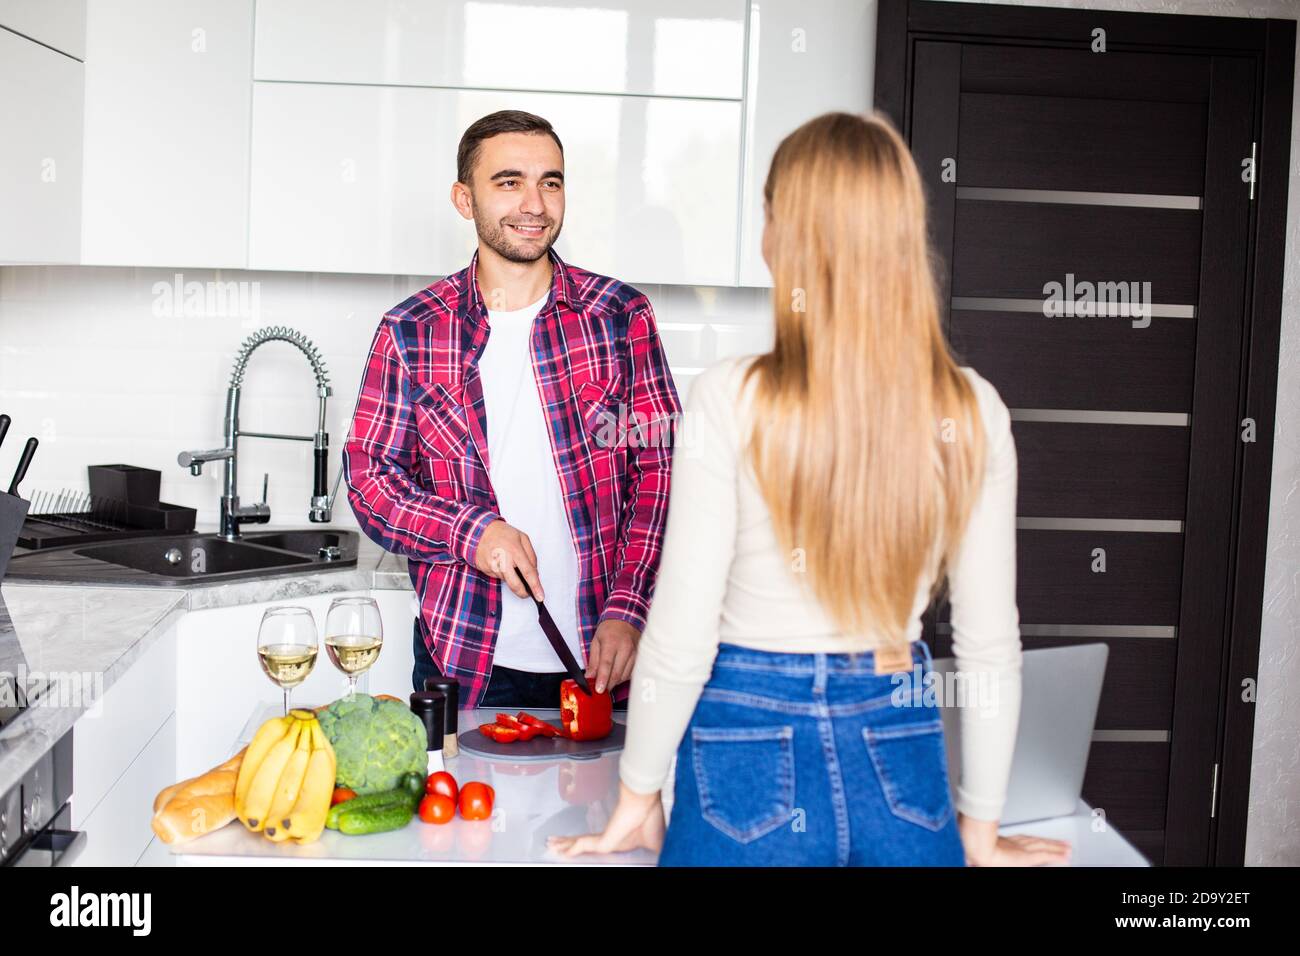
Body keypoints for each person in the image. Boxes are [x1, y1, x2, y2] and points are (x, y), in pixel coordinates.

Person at [548, 111, 1073, 866]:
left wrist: (637, 796)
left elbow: (683, 633)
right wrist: (982, 831)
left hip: (743, 734)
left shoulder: (732, 398)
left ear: (780, 233)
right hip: (898, 726)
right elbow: (990, 648)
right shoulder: (972, 408)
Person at [343, 110, 681, 711]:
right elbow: (371, 479)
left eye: (550, 182)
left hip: (604, 654)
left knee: (610, 807)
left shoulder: (620, 316)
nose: (534, 203)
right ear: (463, 199)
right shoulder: (412, 330)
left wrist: (629, 608)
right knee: (465, 806)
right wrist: (473, 532)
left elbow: (661, 471)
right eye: (508, 182)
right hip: (467, 652)